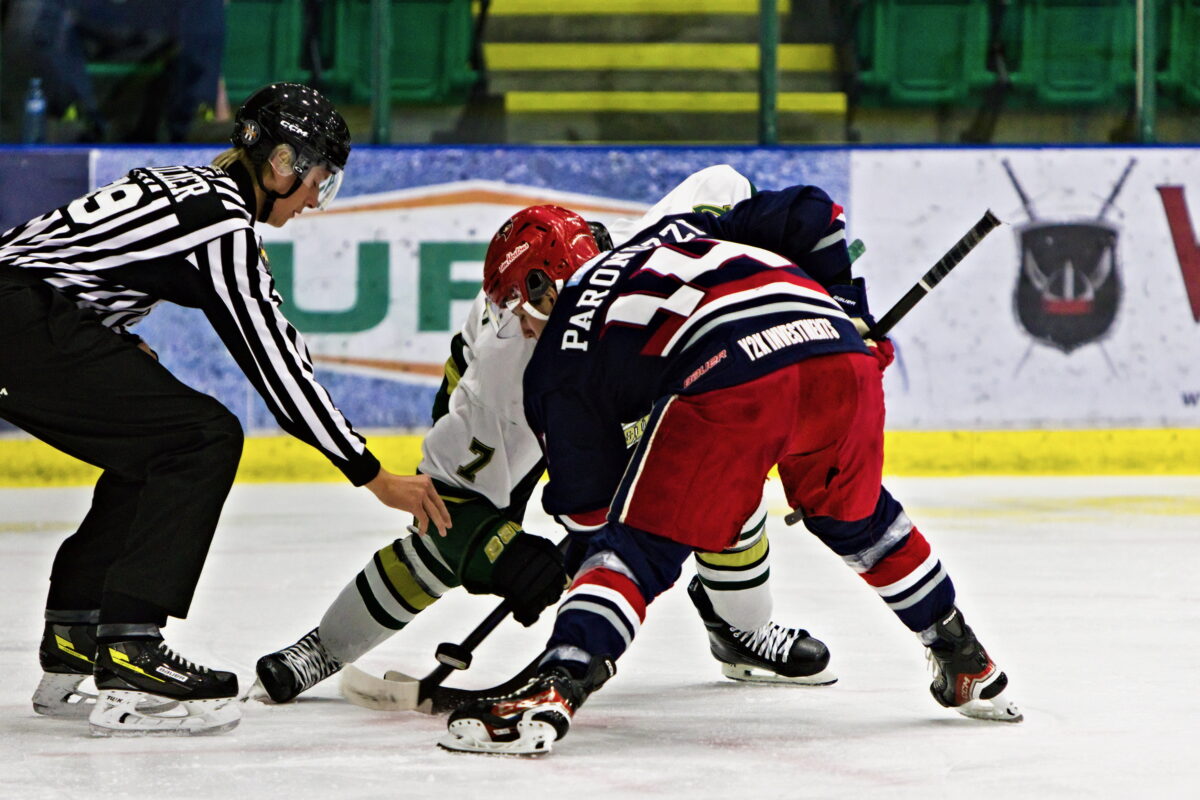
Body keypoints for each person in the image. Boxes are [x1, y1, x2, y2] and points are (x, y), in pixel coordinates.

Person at [439, 196, 1022, 756]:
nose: (521, 327)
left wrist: (578, 562)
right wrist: (848, 308)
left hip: (731, 377)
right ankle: (967, 661)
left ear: (542, 284)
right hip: (838, 350)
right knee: (862, 519)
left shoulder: (558, 361)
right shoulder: (674, 230)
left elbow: (595, 519)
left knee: (633, 551)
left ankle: (552, 689)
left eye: (515, 307)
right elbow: (814, 214)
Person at [252, 166, 838, 706]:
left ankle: (741, 630)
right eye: (516, 313)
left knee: (724, 486)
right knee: (442, 546)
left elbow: (726, 188)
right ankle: (324, 647)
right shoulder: (510, 367)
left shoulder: (663, 252)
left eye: (524, 311)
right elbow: (449, 506)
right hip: (524, 414)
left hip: (643, 378)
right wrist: (505, 555)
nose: (522, 323)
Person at [0, 82, 451, 736]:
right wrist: (372, 474)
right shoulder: (221, 226)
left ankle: (79, 628)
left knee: (156, 445)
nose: (314, 203)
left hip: (23, 315)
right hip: (23, 322)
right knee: (203, 439)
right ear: (281, 164)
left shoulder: (188, 189)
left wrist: (113, 343)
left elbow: (61, 262)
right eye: (318, 181)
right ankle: (131, 645)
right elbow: (277, 368)